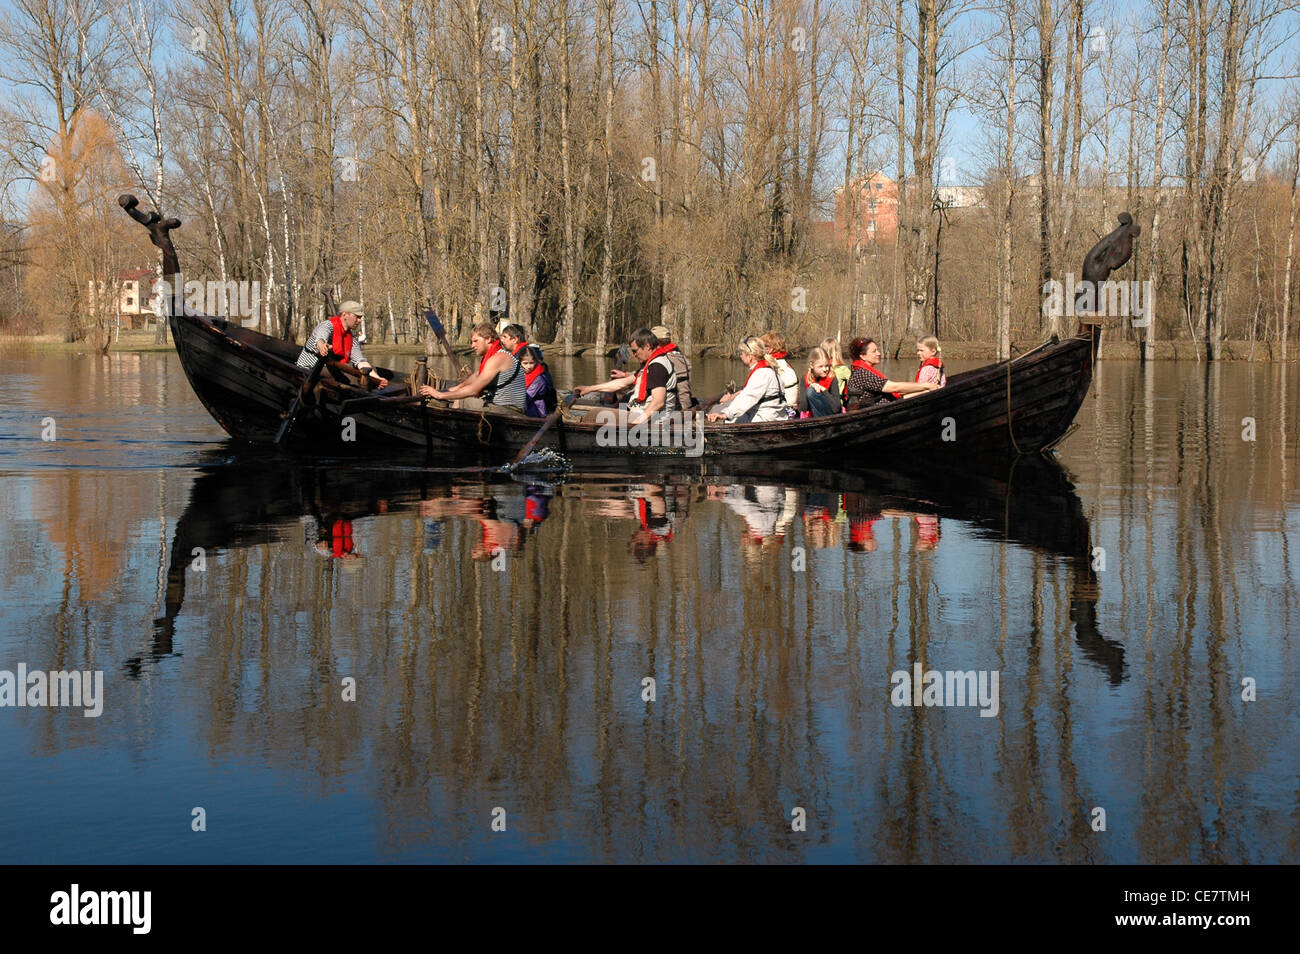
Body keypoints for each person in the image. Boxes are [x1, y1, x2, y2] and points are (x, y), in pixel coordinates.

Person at [573, 328, 679, 424]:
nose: (634, 355)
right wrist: (589, 389)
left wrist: (636, 423)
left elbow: (658, 402)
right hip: (643, 414)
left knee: (595, 414)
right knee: (608, 409)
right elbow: (621, 383)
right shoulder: (650, 364)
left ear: (647, 346)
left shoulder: (657, 366)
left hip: (653, 420)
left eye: (635, 351)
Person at [418, 321, 527, 412]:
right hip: (504, 407)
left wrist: (439, 395)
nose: (472, 345)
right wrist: (446, 390)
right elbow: (470, 381)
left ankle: (453, 429)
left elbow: (474, 390)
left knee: (462, 400)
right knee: (459, 395)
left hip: (510, 410)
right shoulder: (494, 356)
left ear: (488, 339)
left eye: (475, 341)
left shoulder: (498, 358)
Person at [297, 300, 389, 388]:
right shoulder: (327, 326)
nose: (360, 320)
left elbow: (360, 361)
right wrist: (322, 346)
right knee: (351, 378)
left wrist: (378, 379)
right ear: (345, 315)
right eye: (357, 317)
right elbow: (320, 338)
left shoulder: (351, 339)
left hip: (332, 368)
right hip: (308, 369)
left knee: (371, 370)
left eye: (360, 318)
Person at [706, 337, 786, 423]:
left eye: (742, 353)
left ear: (750, 356)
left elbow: (748, 398)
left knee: (725, 421)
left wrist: (725, 414)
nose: (740, 356)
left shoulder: (762, 373)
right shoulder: (767, 369)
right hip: (771, 414)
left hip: (767, 417)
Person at [845, 337, 937, 409]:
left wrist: (925, 390)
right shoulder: (862, 373)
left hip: (886, 405)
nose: (879, 353)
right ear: (863, 356)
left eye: (877, 350)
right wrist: (925, 385)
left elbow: (895, 391)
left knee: (925, 392)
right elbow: (894, 387)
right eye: (874, 351)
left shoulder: (862, 370)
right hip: (875, 413)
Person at [650, 324, 694, 410]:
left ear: (656, 343)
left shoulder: (665, 359)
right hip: (685, 403)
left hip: (676, 407)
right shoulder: (679, 355)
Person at [797, 347, 845, 417]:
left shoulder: (832, 378)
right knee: (811, 391)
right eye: (820, 366)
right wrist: (810, 388)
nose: (825, 369)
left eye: (827, 366)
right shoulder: (805, 378)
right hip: (813, 415)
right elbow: (802, 408)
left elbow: (836, 408)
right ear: (811, 365)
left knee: (811, 391)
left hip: (831, 414)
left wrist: (823, 390)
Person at [761, 331, 800, 406]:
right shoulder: (785, 364)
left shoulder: (772, 364)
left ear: (770, 349)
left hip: (783, 407)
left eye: (762, 347)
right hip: (790, 405)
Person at [519, 345, 557, 418]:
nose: (529, 366)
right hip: (527, 405)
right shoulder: (520, 373)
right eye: (525, 363)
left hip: (537, 410)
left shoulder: (539, 380)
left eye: (531, 363)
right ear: (520, 362)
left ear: (536, 362)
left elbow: (527, 398)